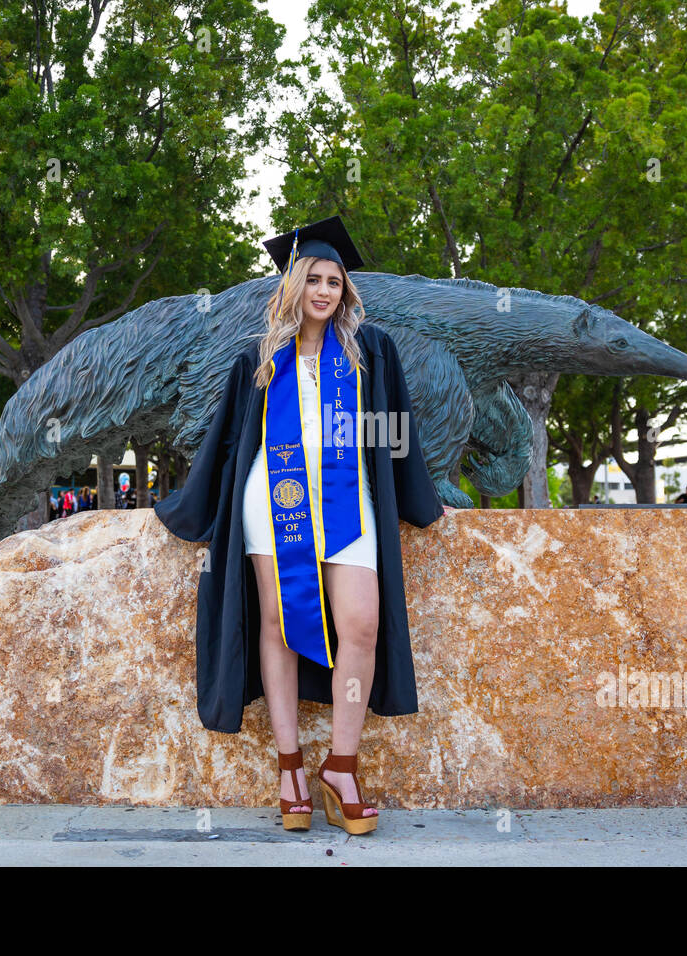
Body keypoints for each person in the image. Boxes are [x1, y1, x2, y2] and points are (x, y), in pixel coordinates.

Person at [154, 215, 451, 836]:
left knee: (361, 626)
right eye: (312, 279)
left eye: (334, 282)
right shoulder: (259, 359)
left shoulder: (371, 353)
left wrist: (421, 500)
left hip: (347, 505)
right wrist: (195, 503)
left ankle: (341, 765)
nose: (323, 291)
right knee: (277, 624)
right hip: (276, 500)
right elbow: (232, 443)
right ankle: (290, 765)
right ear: (292, 284)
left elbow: (396, 432)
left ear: (346, 291)